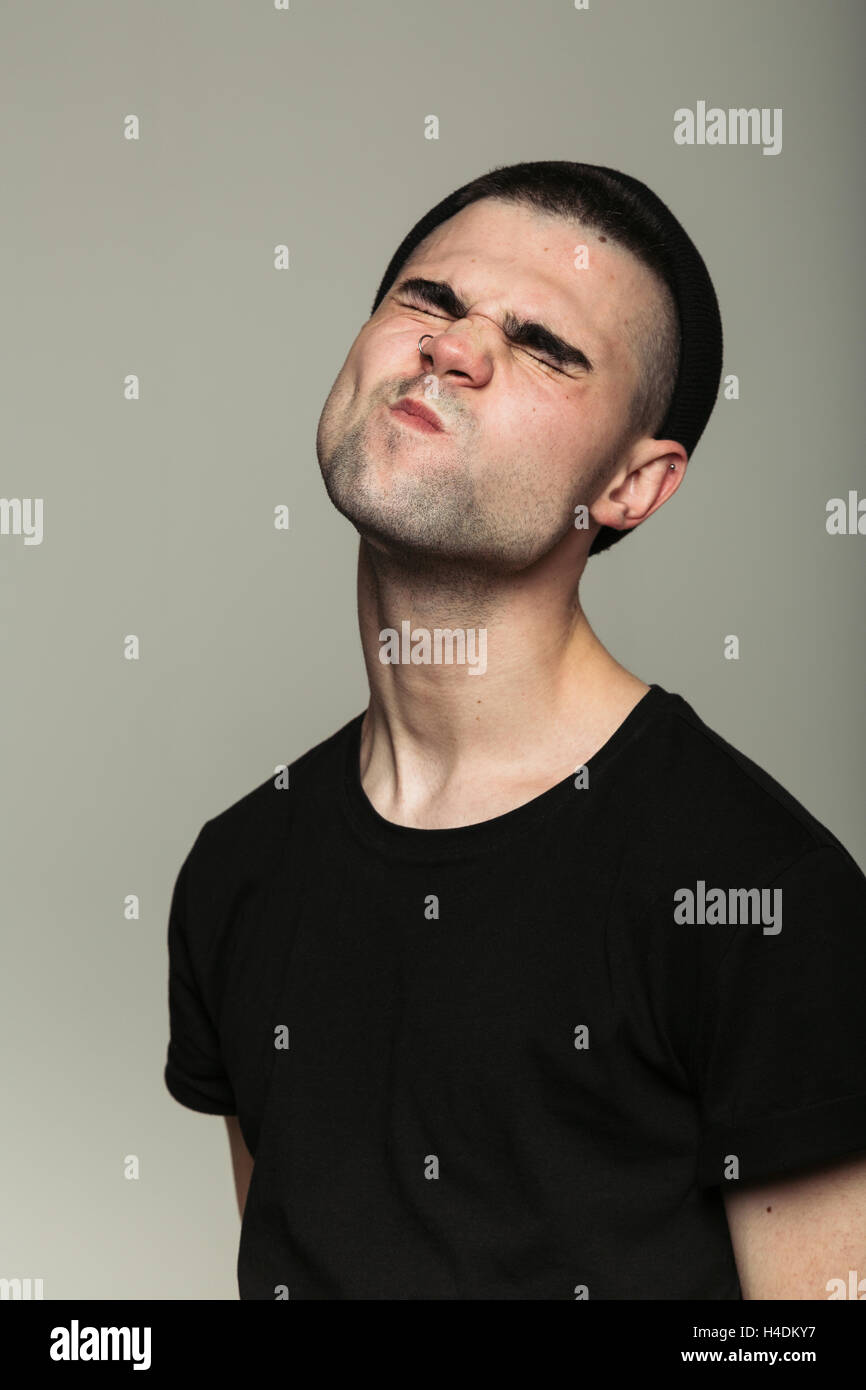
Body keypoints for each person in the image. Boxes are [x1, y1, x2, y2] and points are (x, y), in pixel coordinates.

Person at [165, 161, 866, 1300]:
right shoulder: (237, 869)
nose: (453, 347)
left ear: (633, 485)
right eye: (427, 301)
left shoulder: (762, 897)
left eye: (544, 345)